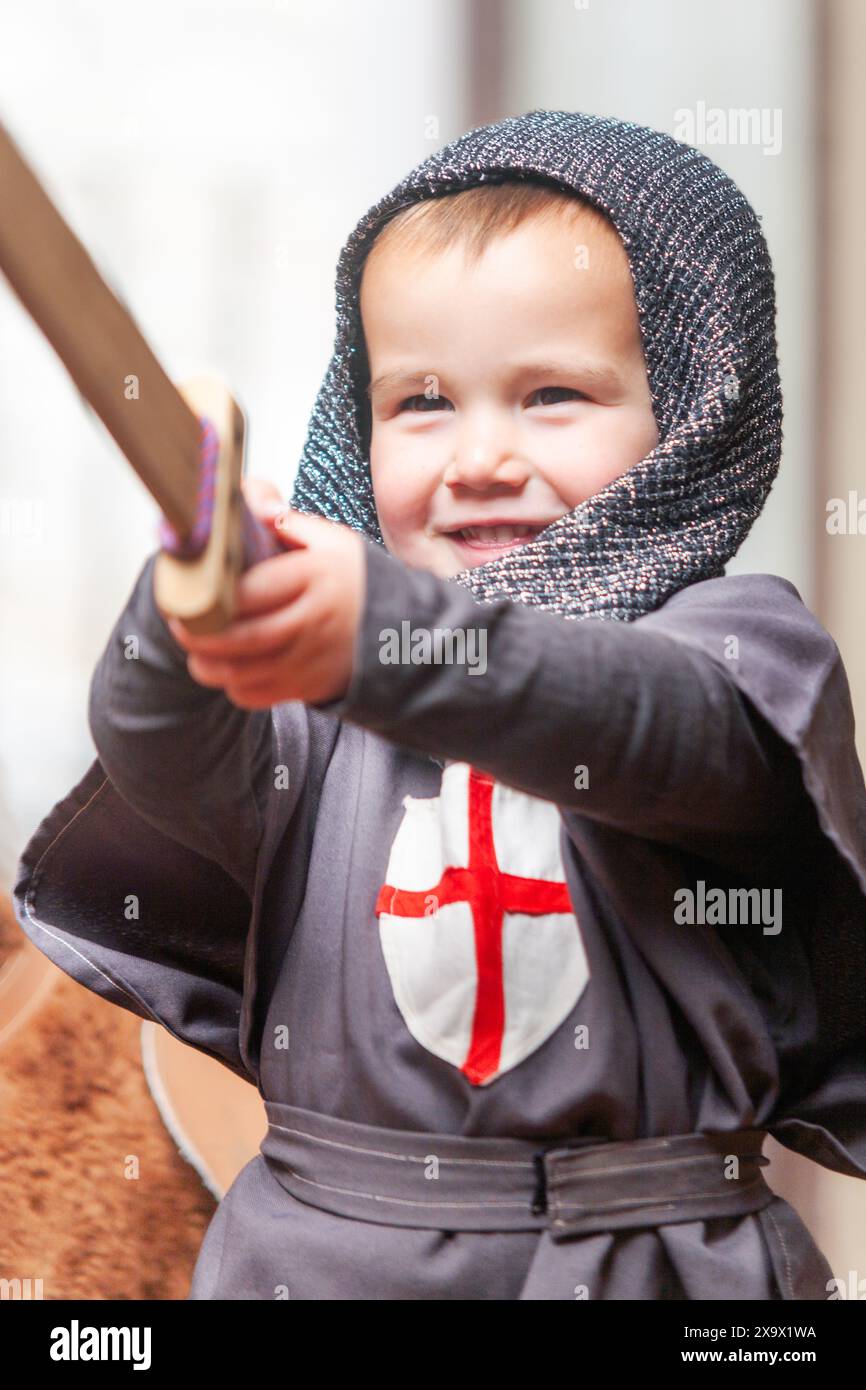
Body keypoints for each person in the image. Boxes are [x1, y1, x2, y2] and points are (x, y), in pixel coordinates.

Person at [13, 110, 866, 1300]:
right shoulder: (324, 693)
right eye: (421, 402)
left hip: (654, 1259)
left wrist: (385, 633)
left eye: (551, 394)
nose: (475, 458)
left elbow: (626, 723)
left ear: (689, 417)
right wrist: (187, 623)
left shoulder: (734, 653)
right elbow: (167, 760)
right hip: (315, 1257)